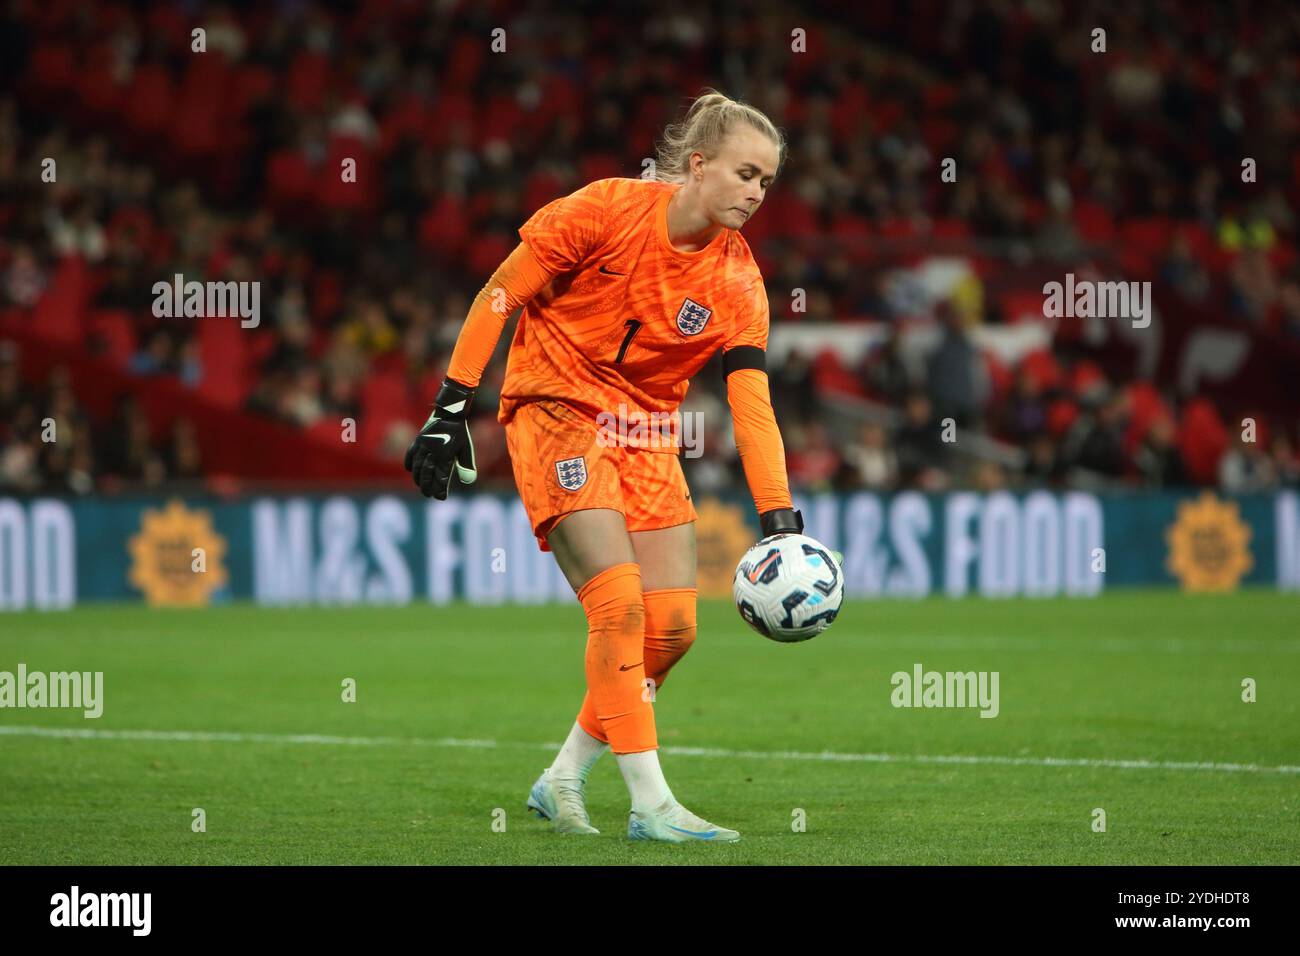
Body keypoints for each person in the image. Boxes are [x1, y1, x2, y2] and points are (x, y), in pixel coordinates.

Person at [404, 90, 800, 843]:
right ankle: (652, 807)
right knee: (617, 608)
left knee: (673, 629)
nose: (756, 191)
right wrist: (451, 404)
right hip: (557, 410)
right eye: (745, 172)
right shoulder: (604, 211)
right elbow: (501, 294)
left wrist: (778, 517)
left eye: (768, 181)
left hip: (647, 433)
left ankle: (563, 777)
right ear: (697, 164)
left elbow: (753, 404)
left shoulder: (739, 282)